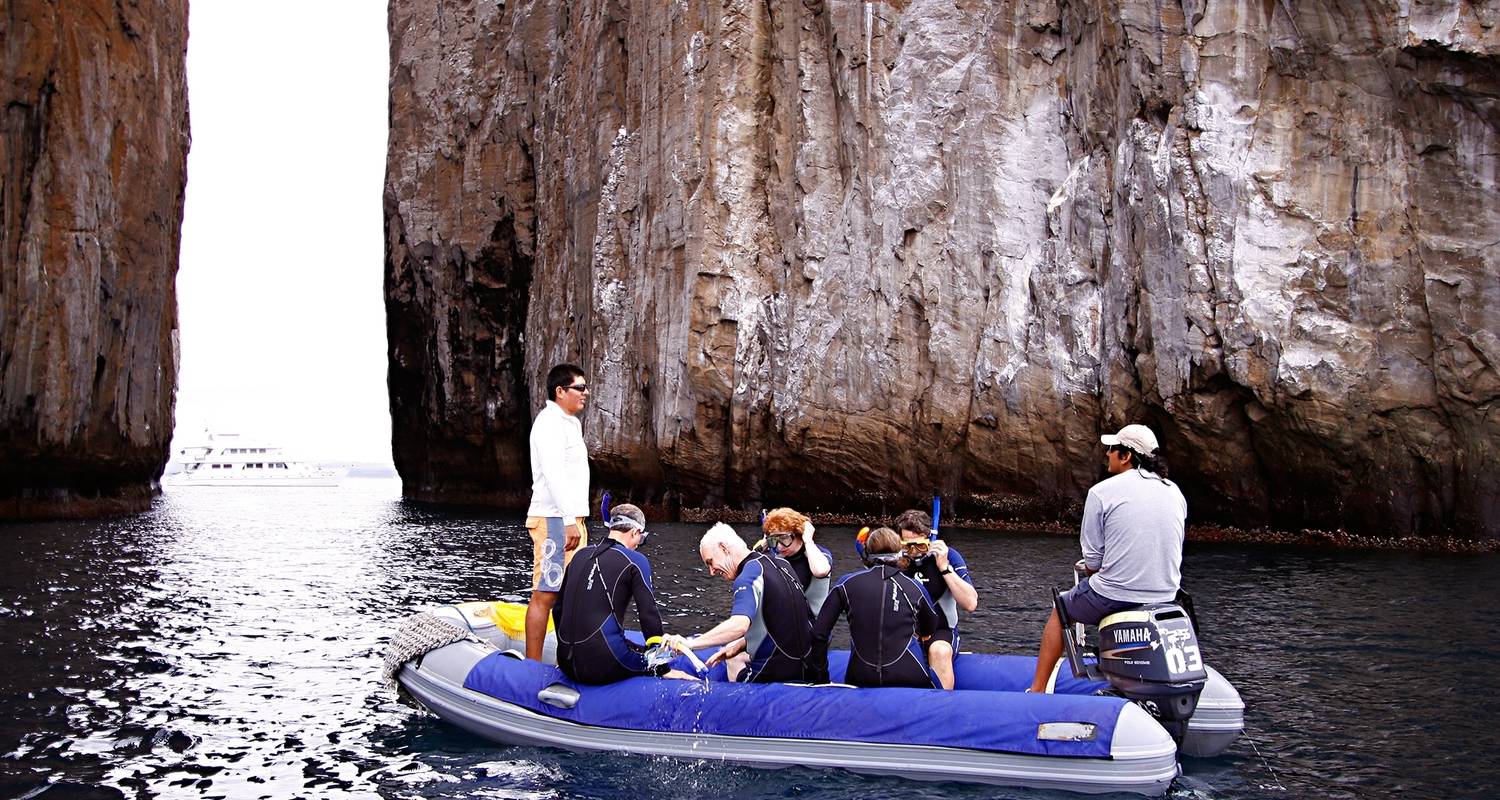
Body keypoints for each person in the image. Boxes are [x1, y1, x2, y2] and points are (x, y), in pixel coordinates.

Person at [1027, 423, 1187, 693]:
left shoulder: (1101, 493)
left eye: (1112, 449)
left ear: (1126, 456)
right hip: (1166, 595)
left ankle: (1038, 690)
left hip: (1116, 594)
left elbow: (1093, 563)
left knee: (1061, 608)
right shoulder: (1174, 491)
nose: (1107, 454)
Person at [552, 504, 688, 683]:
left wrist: (565, 653)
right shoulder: (635, 560)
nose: (639, 545)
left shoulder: (580, 555)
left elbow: (558, 610)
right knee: (649, 658)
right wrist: (661, 668)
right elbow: (648, 614)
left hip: (565, 662)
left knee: (629, 646)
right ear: (635, 532)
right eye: (642, 538)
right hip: (602, 666)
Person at [663, 523, 815, 683]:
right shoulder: (783, 564)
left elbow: (739, 625)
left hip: (777, 674)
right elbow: (785, 622)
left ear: (724, 548)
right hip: (809, 665)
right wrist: (740, 645)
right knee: (734, 653)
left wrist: (690, 644)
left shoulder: (749, 575)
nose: (712, 571)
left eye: (710, 562)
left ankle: (737, 691)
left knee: (733, 662)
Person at [810, 527, 954, 689]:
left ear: (866, 554)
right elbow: (929, 628)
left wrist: (821, 678)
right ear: (900, 552)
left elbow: (819, 633)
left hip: (860, 675)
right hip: (909, 675)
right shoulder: (914, 586)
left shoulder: (846, 583)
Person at [524, 364, 591, 661]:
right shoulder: (549, 422)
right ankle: (533, 664)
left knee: (571, 593)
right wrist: (567, 520)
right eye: (580, 387)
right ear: (560, 391)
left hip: (571, 518)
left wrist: (574, 520)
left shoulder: (571, 424)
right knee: (546, 592)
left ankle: (569, 661)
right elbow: (553, 475)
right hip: (555, 519)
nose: (585, 393)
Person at [894, 509, 978, 652]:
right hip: (906, 632)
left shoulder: (949, 556)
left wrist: (944, 568)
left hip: (941, 632)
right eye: (907, 546)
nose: (913, 552)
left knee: (939, 651)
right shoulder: (897, 560)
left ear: (930, 540)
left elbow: (970, 604)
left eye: (920, 546)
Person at [758, 507, 833, 614]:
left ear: (799, 534)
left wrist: (808, 540)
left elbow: (821, 571)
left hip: (812, 622)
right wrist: (762, 546)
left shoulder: (817, 554)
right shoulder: (777, 557)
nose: (779, 546)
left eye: (784, 539)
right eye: (774, 540)